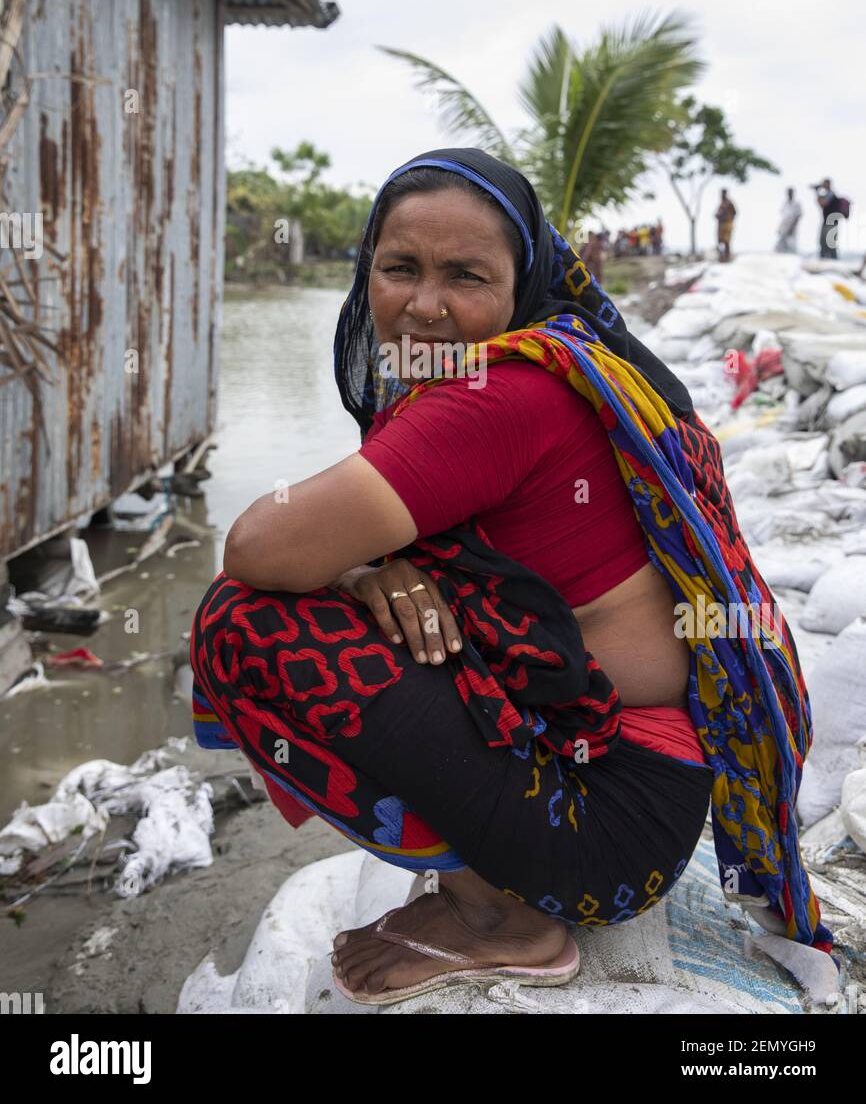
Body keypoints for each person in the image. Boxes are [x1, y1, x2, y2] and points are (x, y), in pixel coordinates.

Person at [189, 147, 832, 1007]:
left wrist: (351, 572)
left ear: (520, 286)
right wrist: (378, 566)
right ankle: (493, 888)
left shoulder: (500, 393)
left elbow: (257, 548)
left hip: (604, 825)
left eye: (466, 276)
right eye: (399, 269)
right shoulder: (545, 368)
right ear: (364, 273)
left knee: (242, 621)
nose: (424, 306)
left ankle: (506, 921)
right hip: (613, 777)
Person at [813, 178, 850, 260]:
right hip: (828, 222)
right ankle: (826, 261)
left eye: (824, 184)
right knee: (824, 242)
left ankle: (832, 262)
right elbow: (821, 204)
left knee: (829, 243)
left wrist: (817, 192)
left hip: (831, 222)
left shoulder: (831, 195)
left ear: (828, 184)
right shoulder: (828, 195)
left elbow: (823, 204)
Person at [775, 188, 802, 253]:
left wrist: (792, 227)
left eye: (791, 192)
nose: (789, 194)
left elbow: (798, 216)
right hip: (784, 224)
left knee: (791, 241)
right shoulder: (785, 203)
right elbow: (783, 215)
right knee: (781, 240)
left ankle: (792, 253)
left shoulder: (796, 204)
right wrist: (780, 227)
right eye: (788, 193)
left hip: (792, 225)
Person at [715, 188, 737, 262]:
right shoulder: (722, 203)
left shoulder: (728, 203)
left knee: (726, 241)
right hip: (721, 224)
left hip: (727, 224)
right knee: (720, 241)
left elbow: (735, 212)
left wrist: (729, 219)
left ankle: (726, 256)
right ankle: (722, 256)